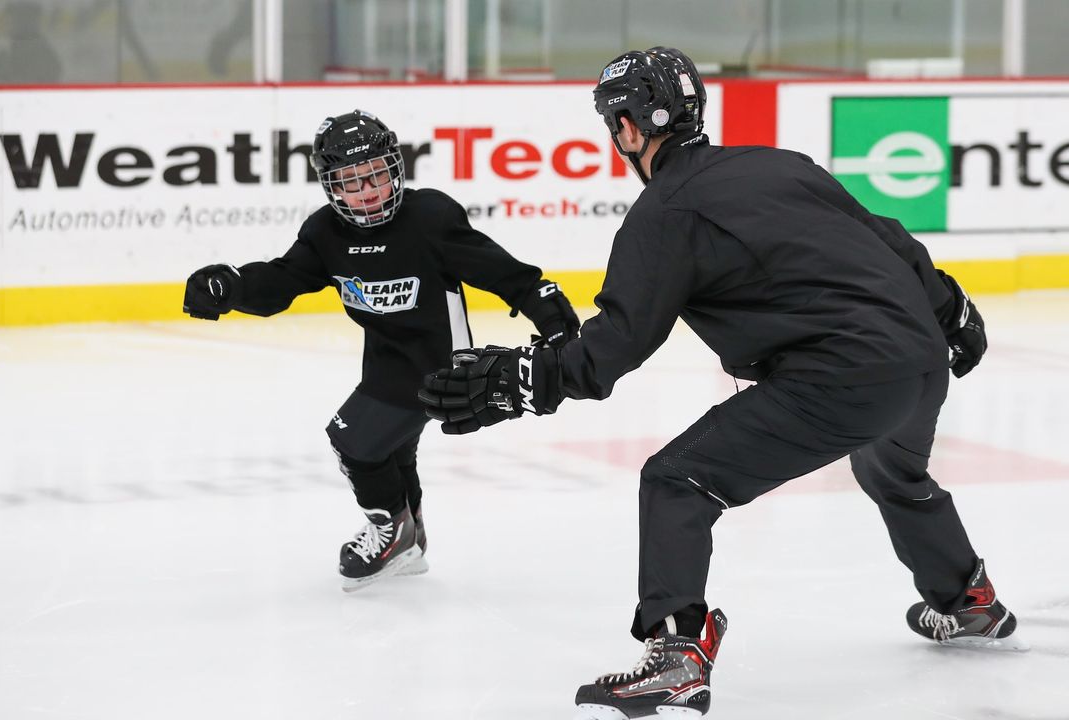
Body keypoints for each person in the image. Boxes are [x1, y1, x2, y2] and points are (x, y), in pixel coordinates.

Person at [419, 48, 1024, 719]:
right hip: (918, 357)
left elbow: (612, 349)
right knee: (896, 474)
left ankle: (676, 654)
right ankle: (968, 600)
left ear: (627, 127)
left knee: (677, 480)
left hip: (841, 377)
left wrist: (516, 379)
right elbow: (890, 239)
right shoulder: (779, 162)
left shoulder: (663, 211)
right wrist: (953, 312)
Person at [183, 110, 580, 592]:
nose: (367, 190)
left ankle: (391, 532)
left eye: (375, 174)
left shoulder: (430, 218)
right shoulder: (325, 234)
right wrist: (234, 286)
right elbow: (282, 281)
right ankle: (410, 538)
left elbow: (502, 272)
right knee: (392, 450)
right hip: (384, 357)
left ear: (395, 168)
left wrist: (550, 309)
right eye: (350, 181)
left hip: (436, 361)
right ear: (331, 187)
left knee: (352, 440)